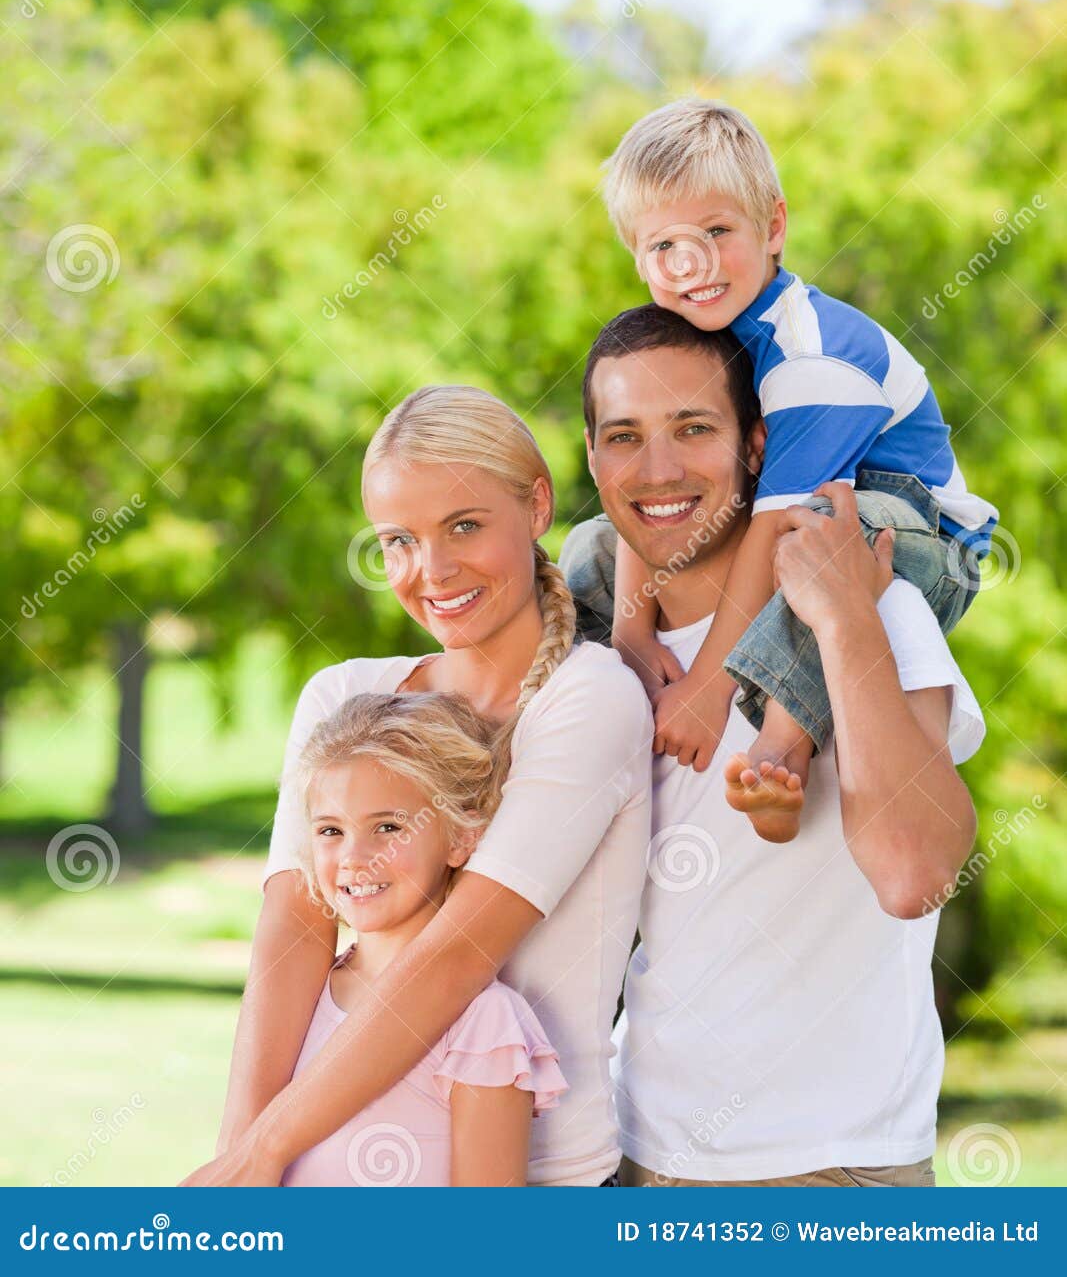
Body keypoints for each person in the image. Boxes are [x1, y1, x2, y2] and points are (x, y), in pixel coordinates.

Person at [182, 385, 650, 1188]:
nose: (430, 571)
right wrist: (242, 1165)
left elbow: (456, 957)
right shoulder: (344, 698)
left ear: (536, 504)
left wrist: (261, 1153)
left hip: (534, 1188)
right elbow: (295, 929)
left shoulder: (589, 698)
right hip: (322, 1177)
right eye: (397, 540)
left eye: (464, 526)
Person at [561, 306, 983, 1185]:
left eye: (693, 429)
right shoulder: (592, 655)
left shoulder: (878, 611)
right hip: (636, 1156)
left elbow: (912, 875)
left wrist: (839, 615)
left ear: (758, 445)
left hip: (833, 1173)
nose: (660, 469)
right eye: (625, 437)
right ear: (593, 459)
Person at [600, 98, 996, 840]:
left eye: (718, 232)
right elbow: (650, 482)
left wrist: (707, 690)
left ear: (773, 226)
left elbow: (774, 525)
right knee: (605, 522)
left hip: (920, 534)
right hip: (810, 508)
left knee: (812, 535)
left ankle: (782, 743)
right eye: (665, 248)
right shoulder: (693, 341)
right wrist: (630, 625)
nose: (695, 267)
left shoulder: (810, 354)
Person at [281, 689, 566, 1187]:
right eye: (330, 830)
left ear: (461, 837)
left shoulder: (483, 1023)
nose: (354, 856)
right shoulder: (302, 996)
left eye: (388, 826)